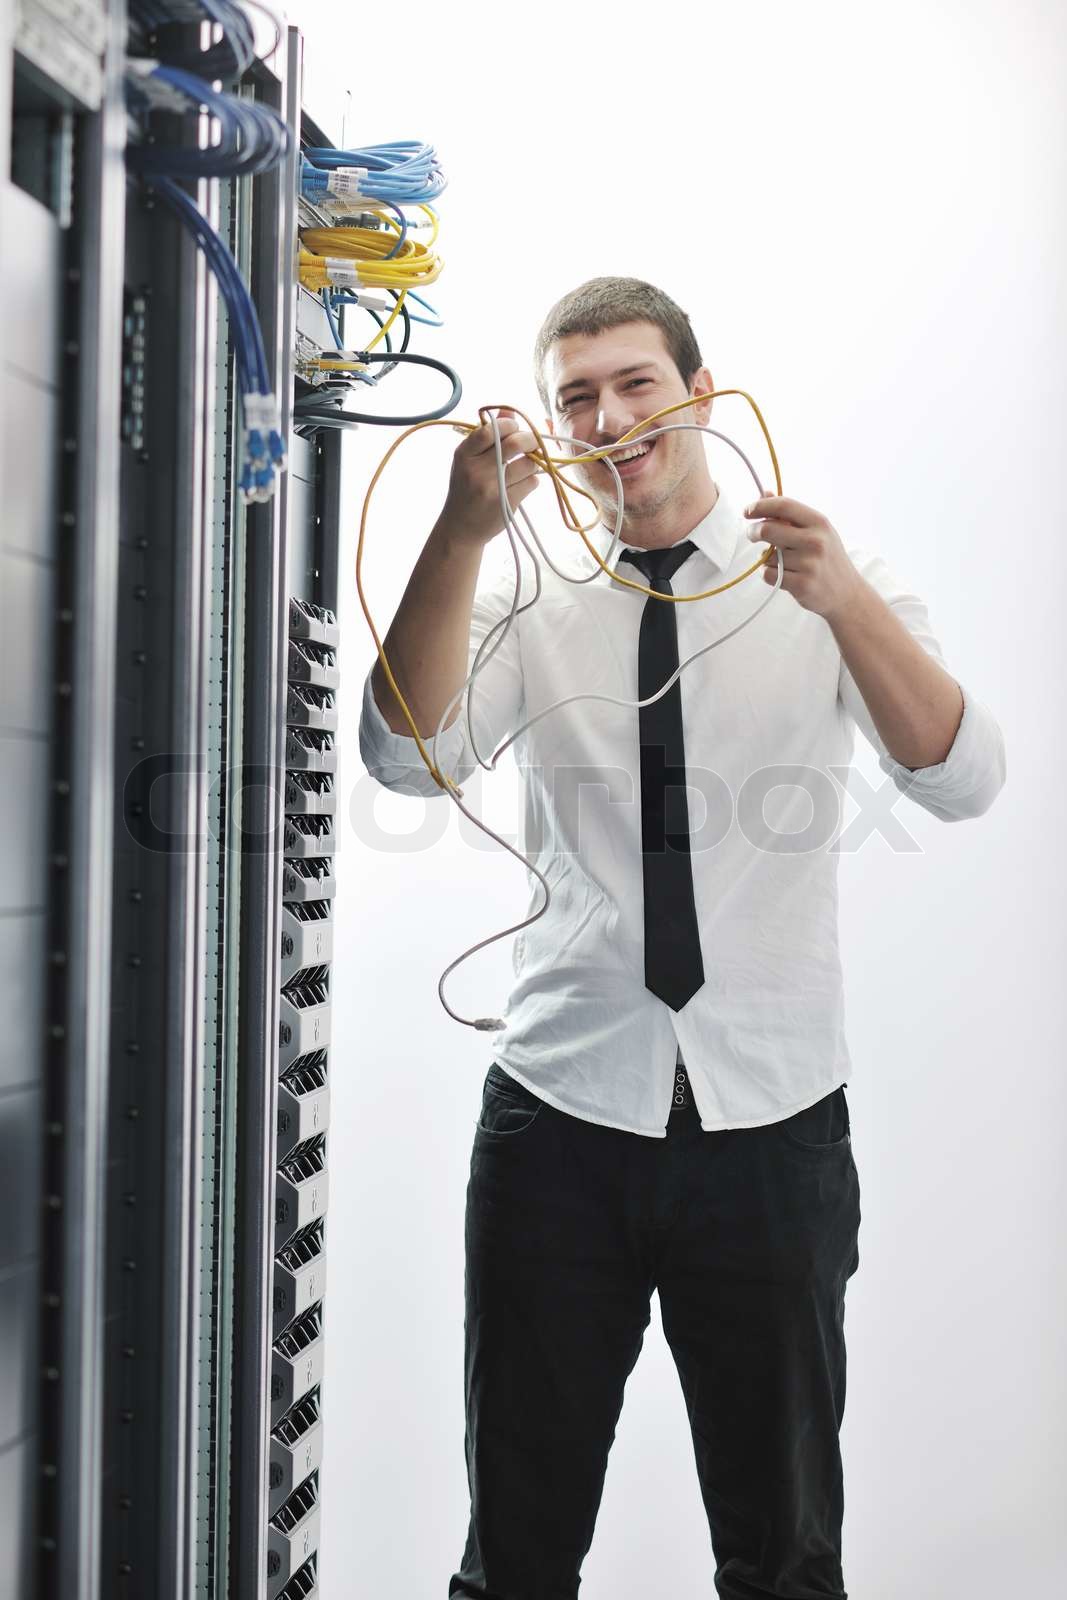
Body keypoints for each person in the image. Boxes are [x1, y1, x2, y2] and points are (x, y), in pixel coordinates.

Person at [358, 277, 1007, 1599]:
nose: (610, 416)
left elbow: (964, 777)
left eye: (636, 382)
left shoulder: (821, 580)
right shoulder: (527, 596)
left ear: (701, 395)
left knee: (783, 1558)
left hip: (772, 1131)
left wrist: (843, 606)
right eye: (576, 397)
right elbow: (399, 759)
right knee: (516, 1556)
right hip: (558, 1126)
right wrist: (463, 535)